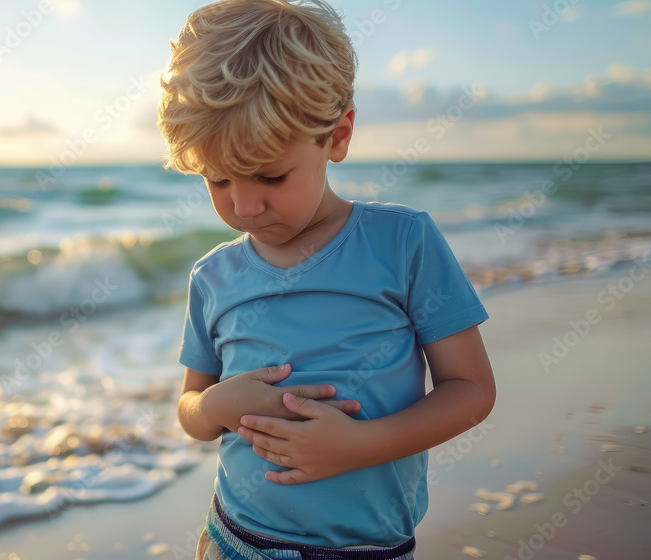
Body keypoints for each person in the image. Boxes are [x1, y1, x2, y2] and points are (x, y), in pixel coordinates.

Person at [156, 1, 497, 558]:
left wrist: (361, 446)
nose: (243, 204)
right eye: (217, 179)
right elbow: (191, 409)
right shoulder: (213, 276)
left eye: (270, 175)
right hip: (234, 542)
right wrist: (216, 406)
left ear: (337, 137)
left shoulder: (402, 242)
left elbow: (472, 391)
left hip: (366, 549)